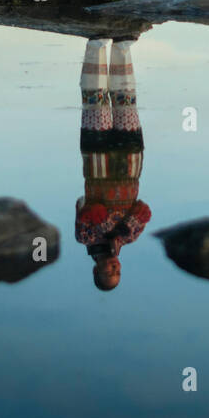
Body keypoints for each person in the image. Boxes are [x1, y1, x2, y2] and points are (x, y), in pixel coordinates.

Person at [77, 36, 149, 291]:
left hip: (97, 162)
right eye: (117, 272)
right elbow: (144, 210)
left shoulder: (85, 237)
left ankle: (96, 46)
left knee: (95, 101)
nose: (114, 267)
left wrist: (114, 228)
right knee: (126, 100)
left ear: (97, 269)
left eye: (109, 272)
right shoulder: (128, 238)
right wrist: (118, 233)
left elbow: (92, 211)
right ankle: (121, 47)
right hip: (130, 164)